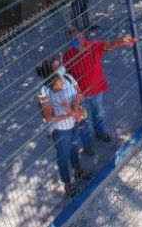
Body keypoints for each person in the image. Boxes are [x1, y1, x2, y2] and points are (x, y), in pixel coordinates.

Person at [62, 27, 136, 144]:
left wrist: (122, 41)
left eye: (77, 38)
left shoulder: (94, 46)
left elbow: (109, 44)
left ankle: (100, 133)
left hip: (96, 90)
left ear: (82, 36)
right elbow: (66, 76)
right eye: (73, 41)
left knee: (99, 113)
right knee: (82, 119)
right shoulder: (67, 55)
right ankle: (87, 144)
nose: (76, 42)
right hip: (80, 94)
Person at [36, 59, 92, 197]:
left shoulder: (67, 78)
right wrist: (69, 114)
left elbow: (80, 92)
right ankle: (67, 183)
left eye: (60, 64)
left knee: (74, 148)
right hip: (61, 130)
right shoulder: (45, 91)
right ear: (50, 73)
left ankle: (78, 171)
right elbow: (48, 116)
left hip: (74, 124)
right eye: (57, 67)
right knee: (63, 156)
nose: (61, 68)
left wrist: (76, 102)